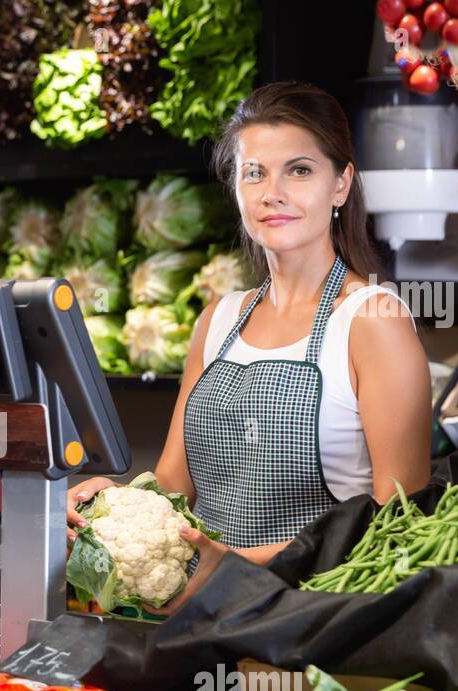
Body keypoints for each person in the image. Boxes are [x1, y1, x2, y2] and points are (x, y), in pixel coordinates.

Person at [68, 81, 432, 612]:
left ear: (341, 184)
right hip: (200, 614)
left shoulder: (372, 319)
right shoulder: (217, 319)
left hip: (313, 617)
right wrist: (114, 502)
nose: (272, 192)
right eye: (253, 172)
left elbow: (399, 522)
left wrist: (236, 564)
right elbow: (175, 485)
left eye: (299, 170)